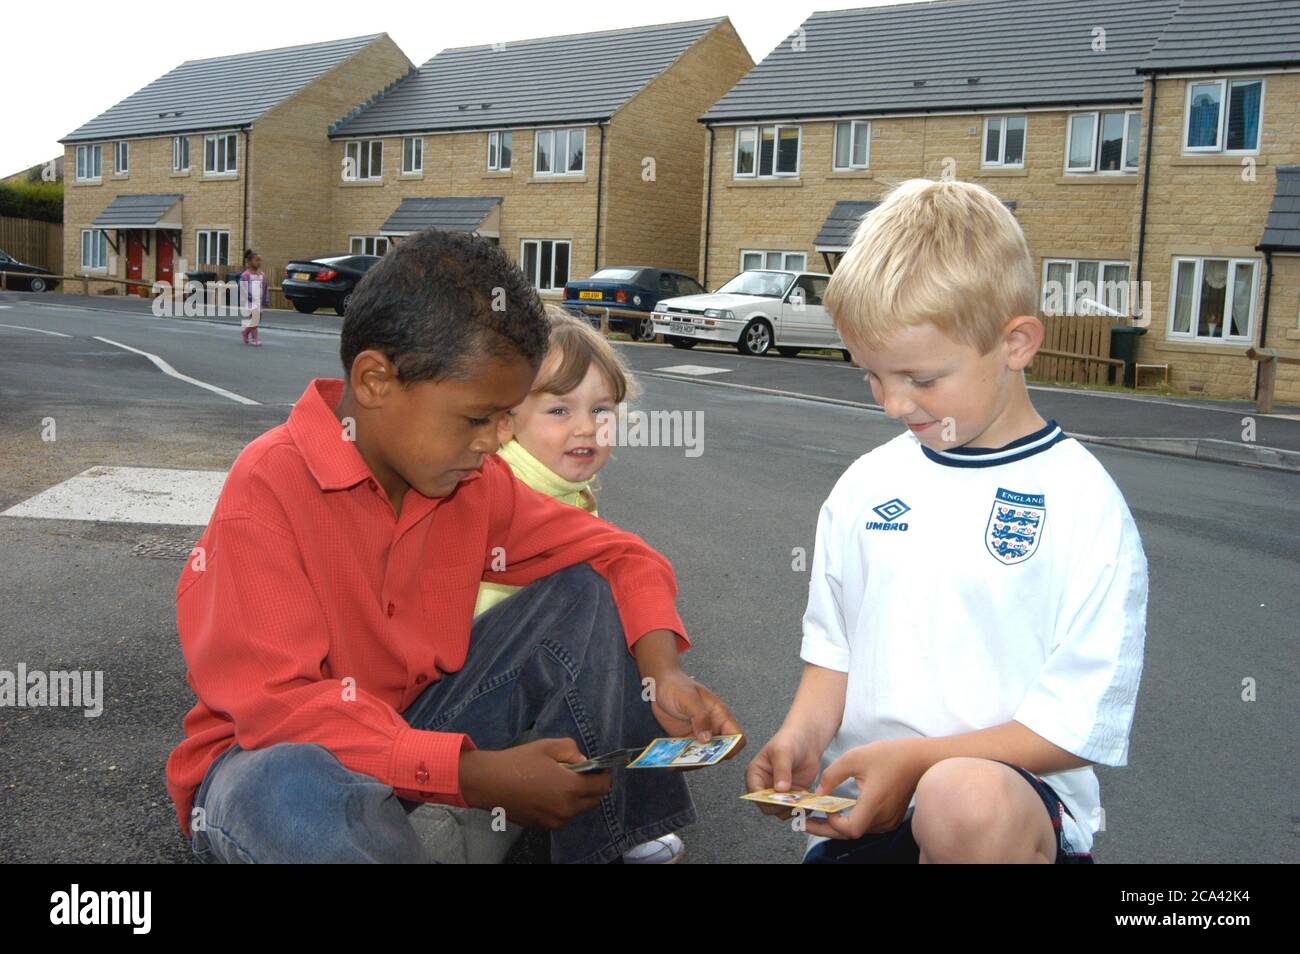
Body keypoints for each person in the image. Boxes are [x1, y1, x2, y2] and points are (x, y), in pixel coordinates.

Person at [166, 228, 742, 863]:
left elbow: (622, 555)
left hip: (412, 731)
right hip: (261, 762)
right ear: (376, 381)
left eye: (507, 416)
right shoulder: (270, 485)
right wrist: (474, 777)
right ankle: (406, 826)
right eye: (478, 418)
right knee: (294, 786)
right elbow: (278, 709)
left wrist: (663, 673)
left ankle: (598, 841)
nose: (497, 441)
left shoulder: (474, 485)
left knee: (580, 593)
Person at [745, 178, 1148, 864]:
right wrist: (802, 738)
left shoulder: (1083, 503)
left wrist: (920, 763)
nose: (895, 404)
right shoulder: (866, 485)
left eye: (922, 379)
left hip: (1005, 812)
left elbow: (1077, 728)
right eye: (872, 375)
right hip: (870, 808)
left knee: (962, 797)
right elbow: (834, 654)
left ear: (1016, 342)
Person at [473, 310, 683, 863]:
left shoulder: (568, 488)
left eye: (601, 410)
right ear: (507, 419)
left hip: (513, 671)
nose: (587, 427)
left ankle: (630, 815)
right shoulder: (497, 482)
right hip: (472, 679)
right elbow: (624, 559)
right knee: (593, 597)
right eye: (560, 409)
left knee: (613, 615)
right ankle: (605, 835)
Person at [238, 249, 269, 346]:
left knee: (257, 319)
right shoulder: (246, 275)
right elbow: (242, 288)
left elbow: (265, 288)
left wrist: (265, 300)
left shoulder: (262, 275)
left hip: (258, 301)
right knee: (255, 319)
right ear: (249, 262)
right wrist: (246, 298)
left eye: (260, 260)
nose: (259, 262)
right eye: (257, 260)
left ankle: (246, 332)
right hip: (250, 300)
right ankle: (255, 339)